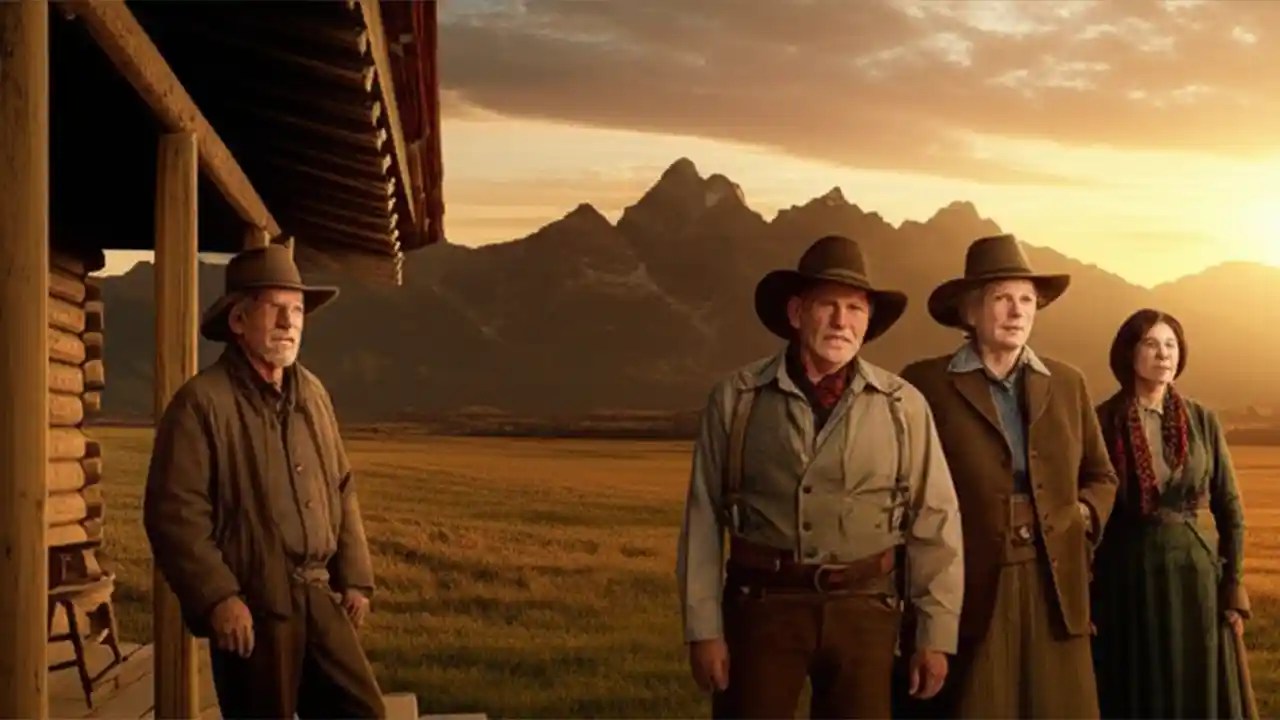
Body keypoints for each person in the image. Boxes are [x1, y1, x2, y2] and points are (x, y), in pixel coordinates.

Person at [675, 234, 964, 718]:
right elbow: (703, 520)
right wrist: (703, 630)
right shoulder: (737, 398)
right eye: (827, 305)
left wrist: (935, 635)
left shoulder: (902, 405)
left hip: (866, 613)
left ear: (868, 322)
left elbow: (935, 520)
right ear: (795, 312)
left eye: (855, 309)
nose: (840, 321)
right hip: (761, 608)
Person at [142, 243, 386, 719]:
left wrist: (355, 578)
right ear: (238, 322)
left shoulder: (313, 393)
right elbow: (175, 514)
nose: (288, 323)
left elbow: (341, 484)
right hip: (254, 607)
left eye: (296, 311)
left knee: (363, 712)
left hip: (319, 597)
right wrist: (219, 598)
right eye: (275, 309)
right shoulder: (201, 403)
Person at [897, 233, 1117, 718]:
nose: (1018, 312)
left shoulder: (1067, 382)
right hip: (968, 578)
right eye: (1002, 299)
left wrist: (1081, 516)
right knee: (978, 702)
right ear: (970, 312)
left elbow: (1102, 475)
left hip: (1056, 579)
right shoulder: (925, 384)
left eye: (1026, 300)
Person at [1091, 308, 1250, 718]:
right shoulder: (1101, 421)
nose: (1163, 354)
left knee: (1197, 683)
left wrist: (1233, 586)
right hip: (1127, 576)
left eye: (1171, 345)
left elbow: (1230, 506)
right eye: (1151, 343)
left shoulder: (1202, 420)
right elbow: (1090, 511)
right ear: (1129, 353)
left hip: (1195, 575)